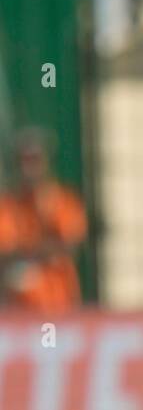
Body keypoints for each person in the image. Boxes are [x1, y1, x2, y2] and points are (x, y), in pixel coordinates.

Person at [0, 129, 88, 313]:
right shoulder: (8, 206)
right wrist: (40, 252)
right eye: (23, 161)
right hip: (20, 311)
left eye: (34, 160)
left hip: (60, 306)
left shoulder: (64, 201)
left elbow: (68, 246)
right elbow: (6, 252)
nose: (28, 169)